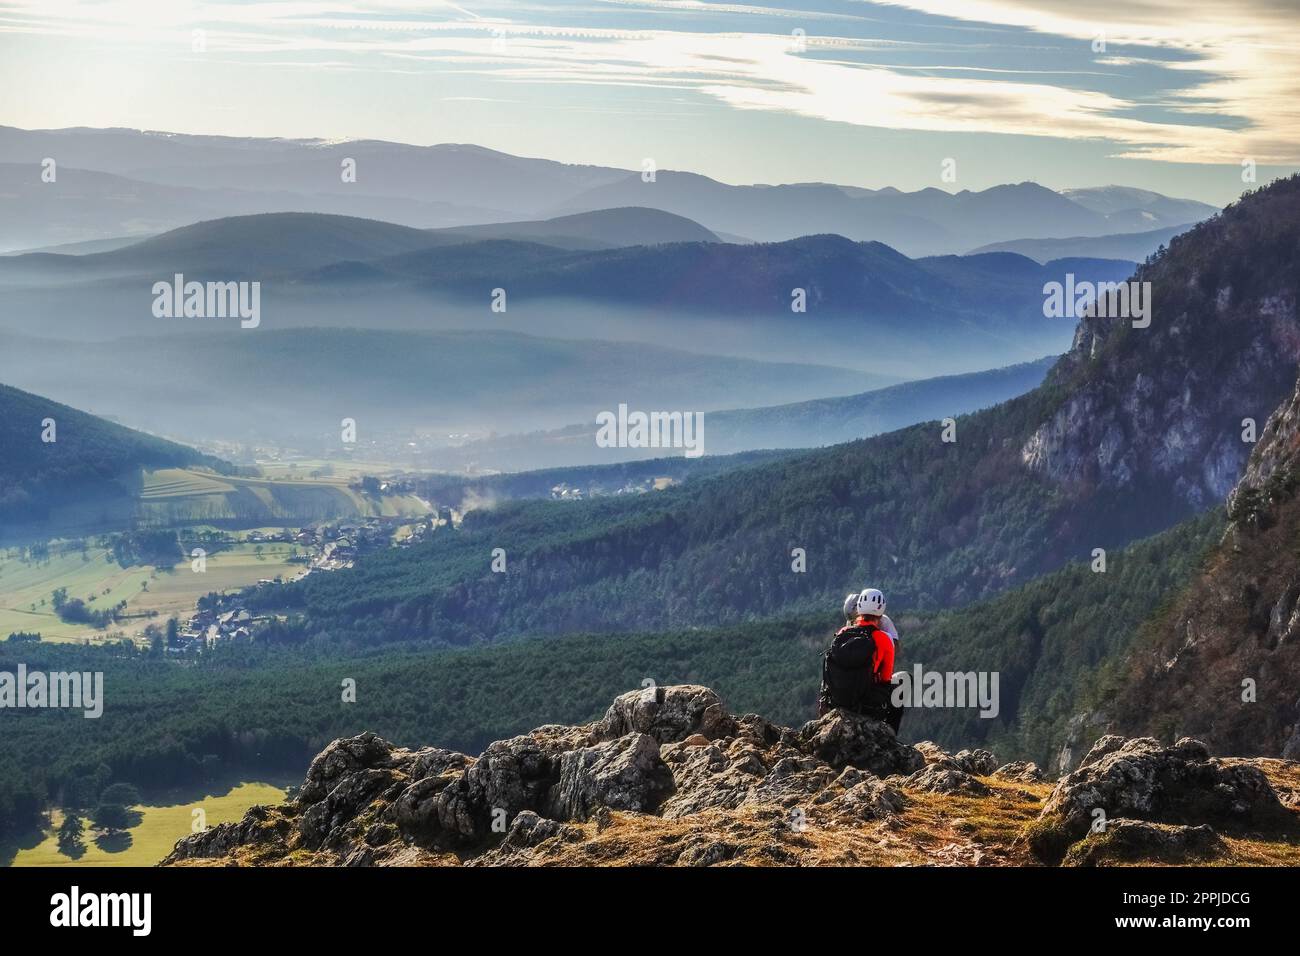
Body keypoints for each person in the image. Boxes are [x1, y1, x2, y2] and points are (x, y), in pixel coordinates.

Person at [819, 588, 903, 733]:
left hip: (837, 703)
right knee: (903, 682)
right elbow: (885, 679)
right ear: (881, 611)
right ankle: (890, 734)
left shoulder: (842, 633)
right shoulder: (883, 639)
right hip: (866, 707)